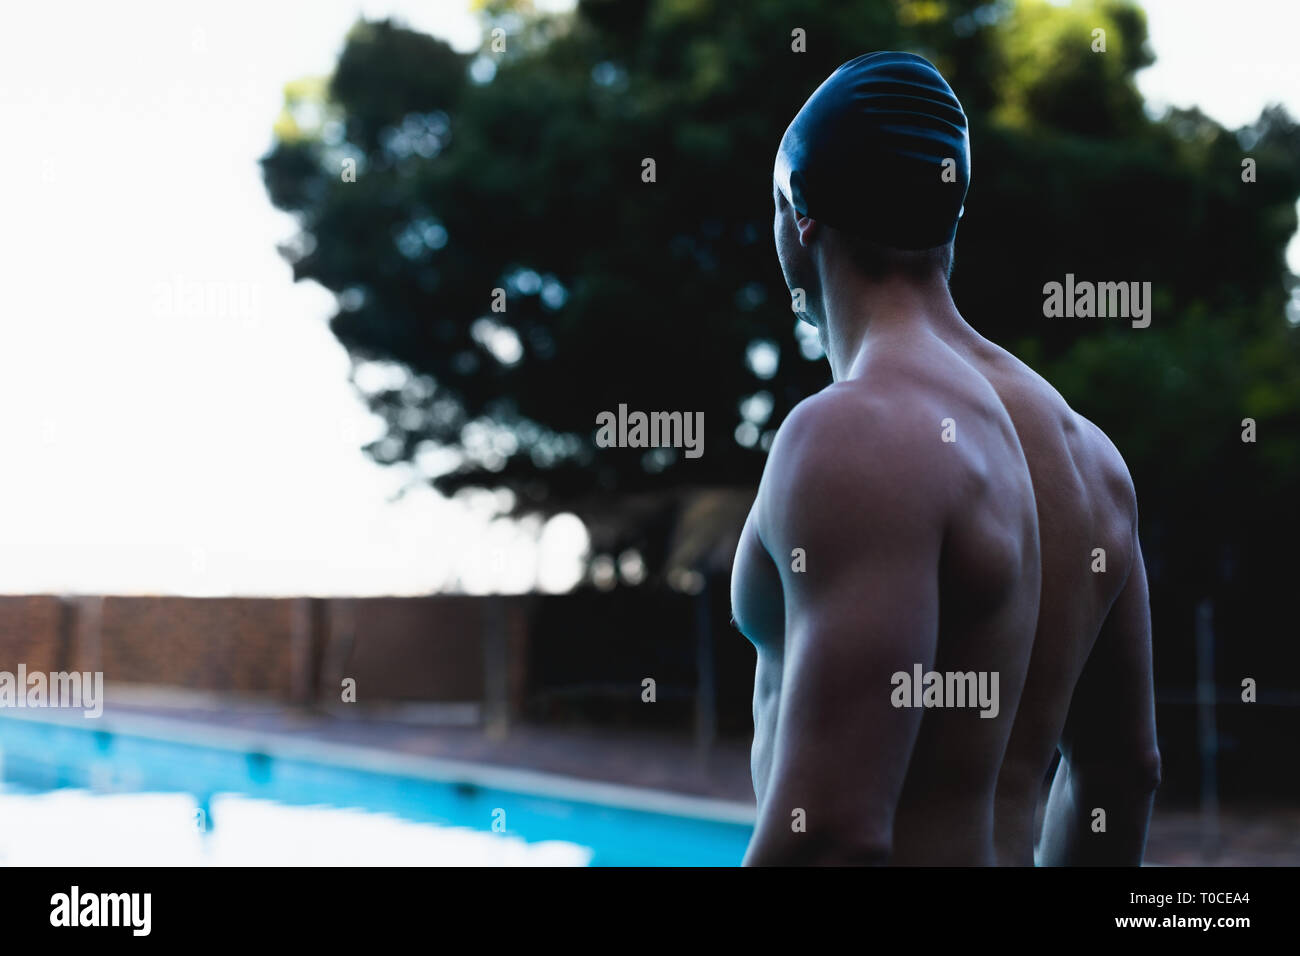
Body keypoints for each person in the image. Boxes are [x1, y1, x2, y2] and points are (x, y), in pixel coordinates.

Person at [731, 51, 1160, 866]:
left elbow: (833, 837)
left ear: (800, 213)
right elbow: (1123, 774)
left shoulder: (853, 432)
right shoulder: (1090, 459)